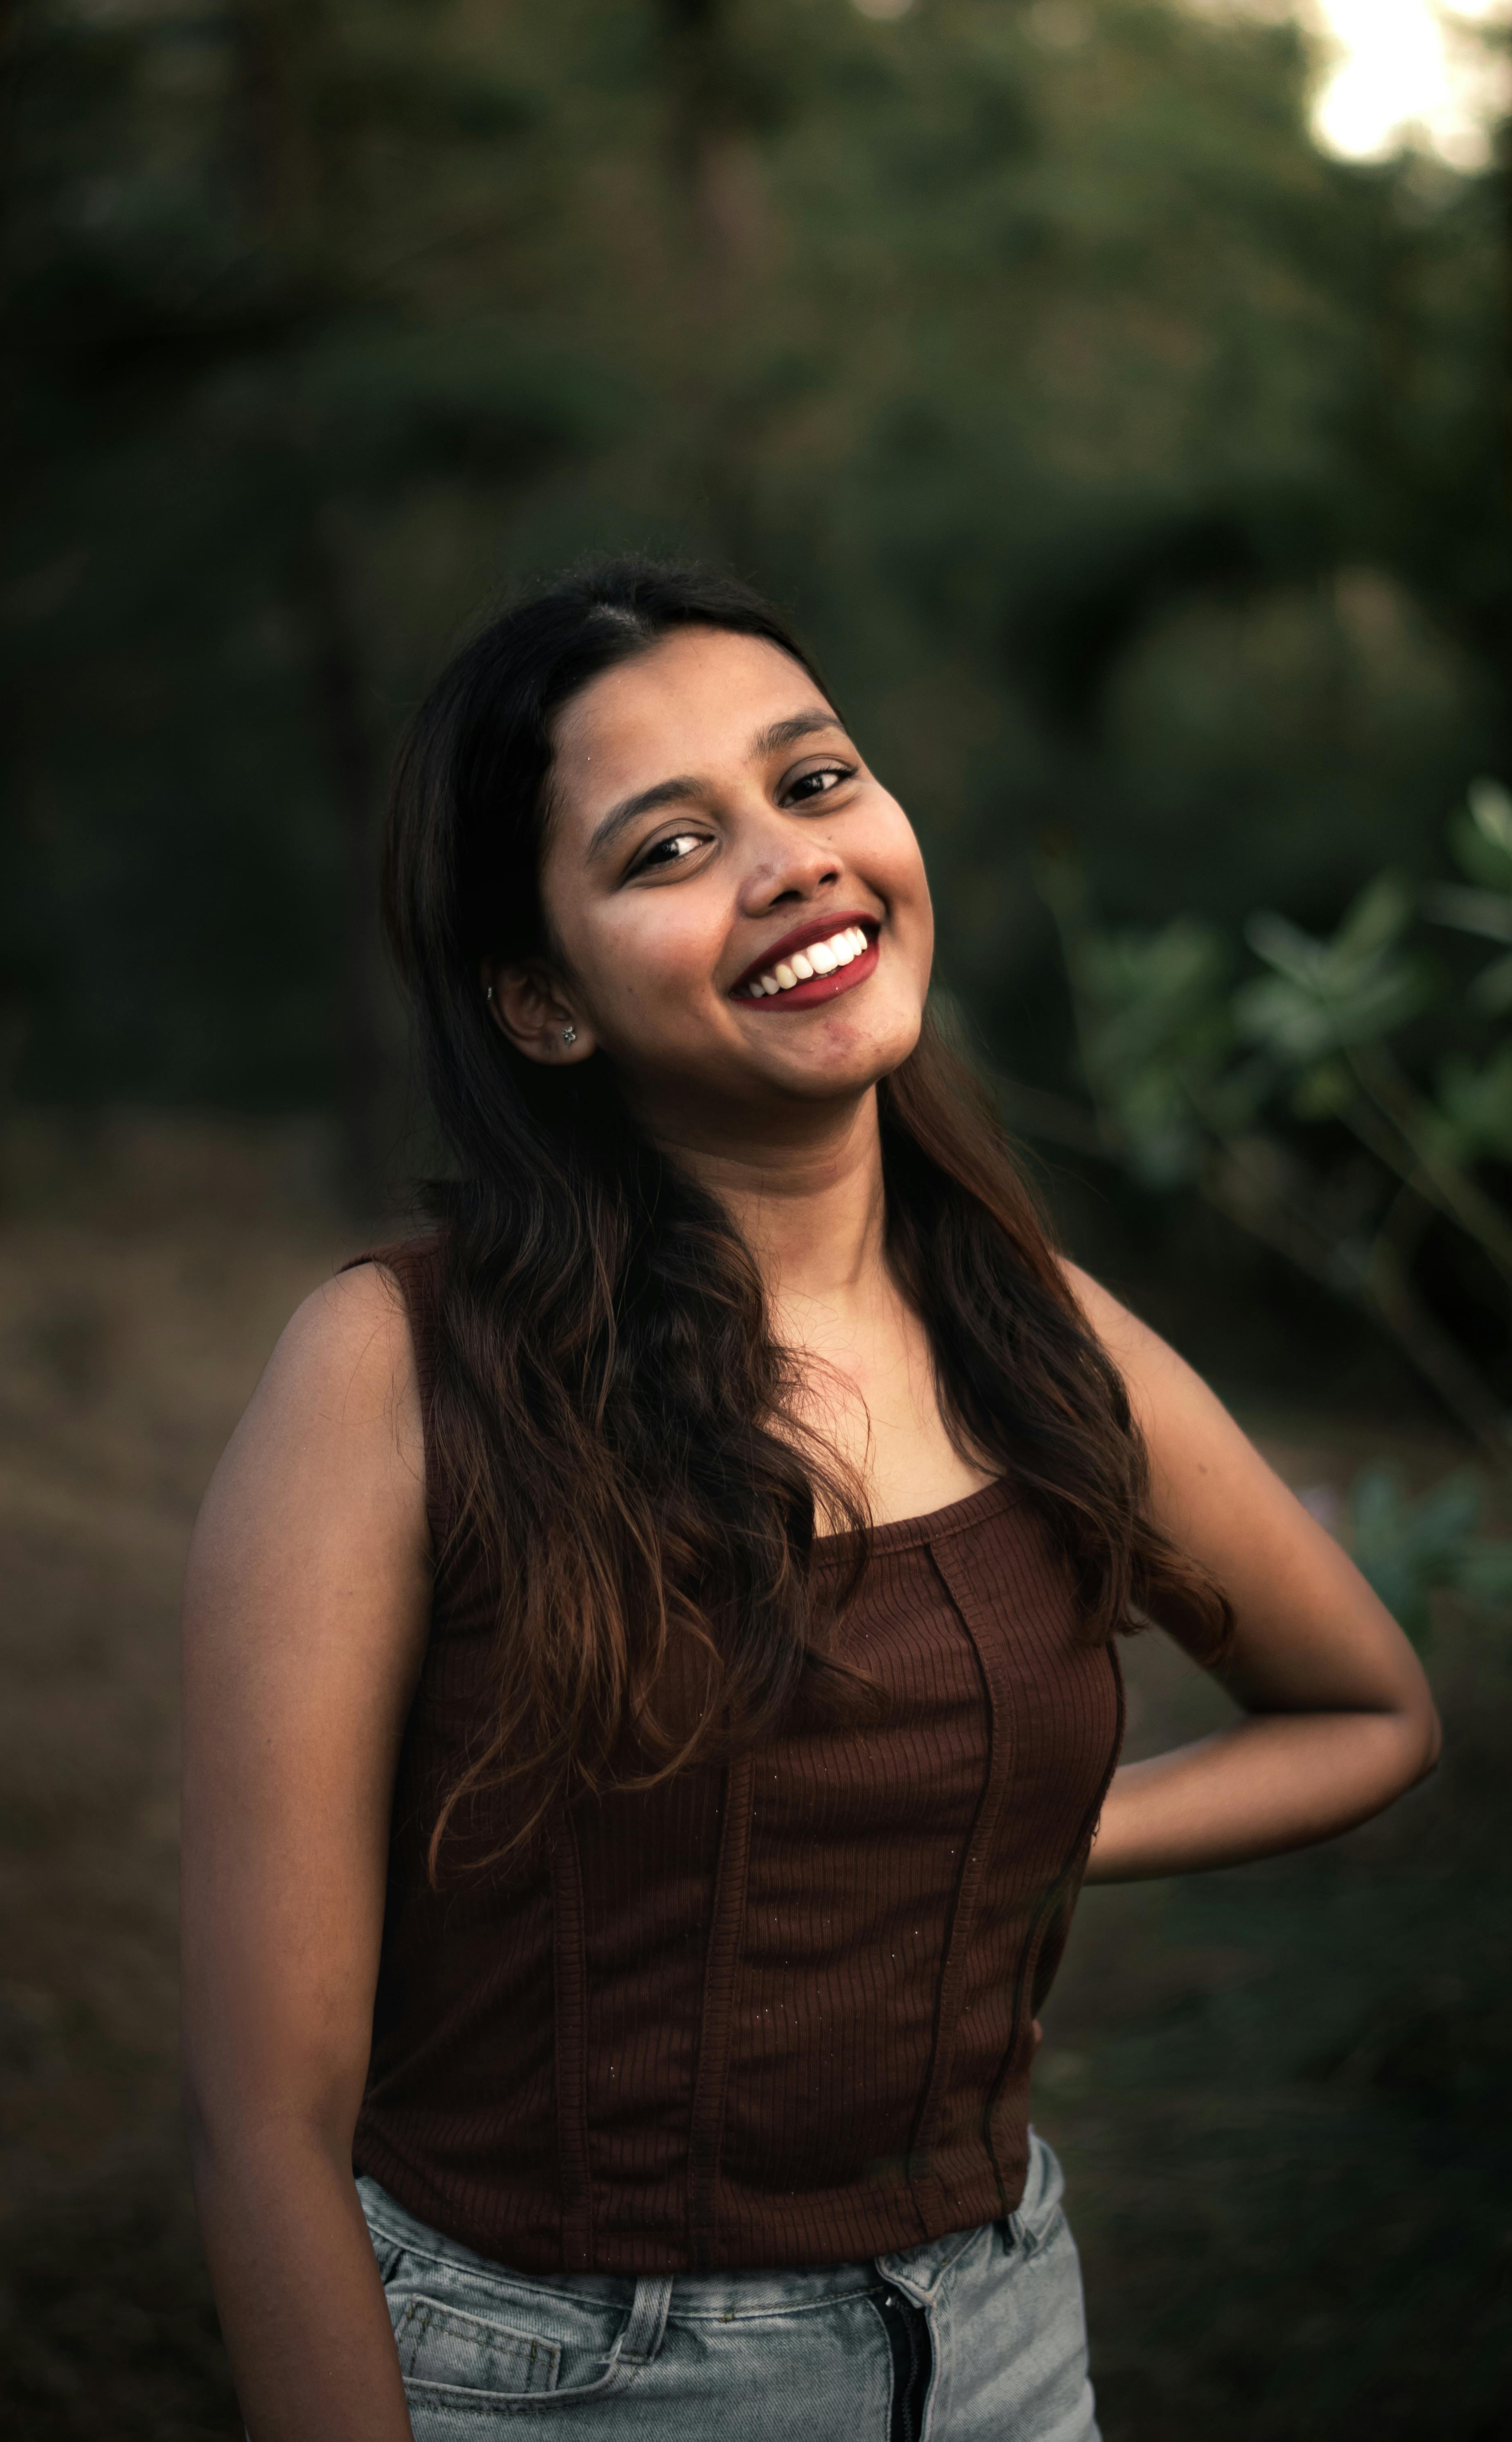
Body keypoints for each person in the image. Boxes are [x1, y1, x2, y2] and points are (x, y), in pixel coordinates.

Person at [180, 560, 1440, 2442]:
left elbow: (1367, 1711)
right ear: (542, 1002)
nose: (790, 861)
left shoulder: (1034, 1329)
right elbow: (263, 2121)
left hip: (1002, 2345)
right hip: (558, 2380)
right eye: (670, 847)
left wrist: (1019, 1827)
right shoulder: (393, 1371)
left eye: (815, 779)